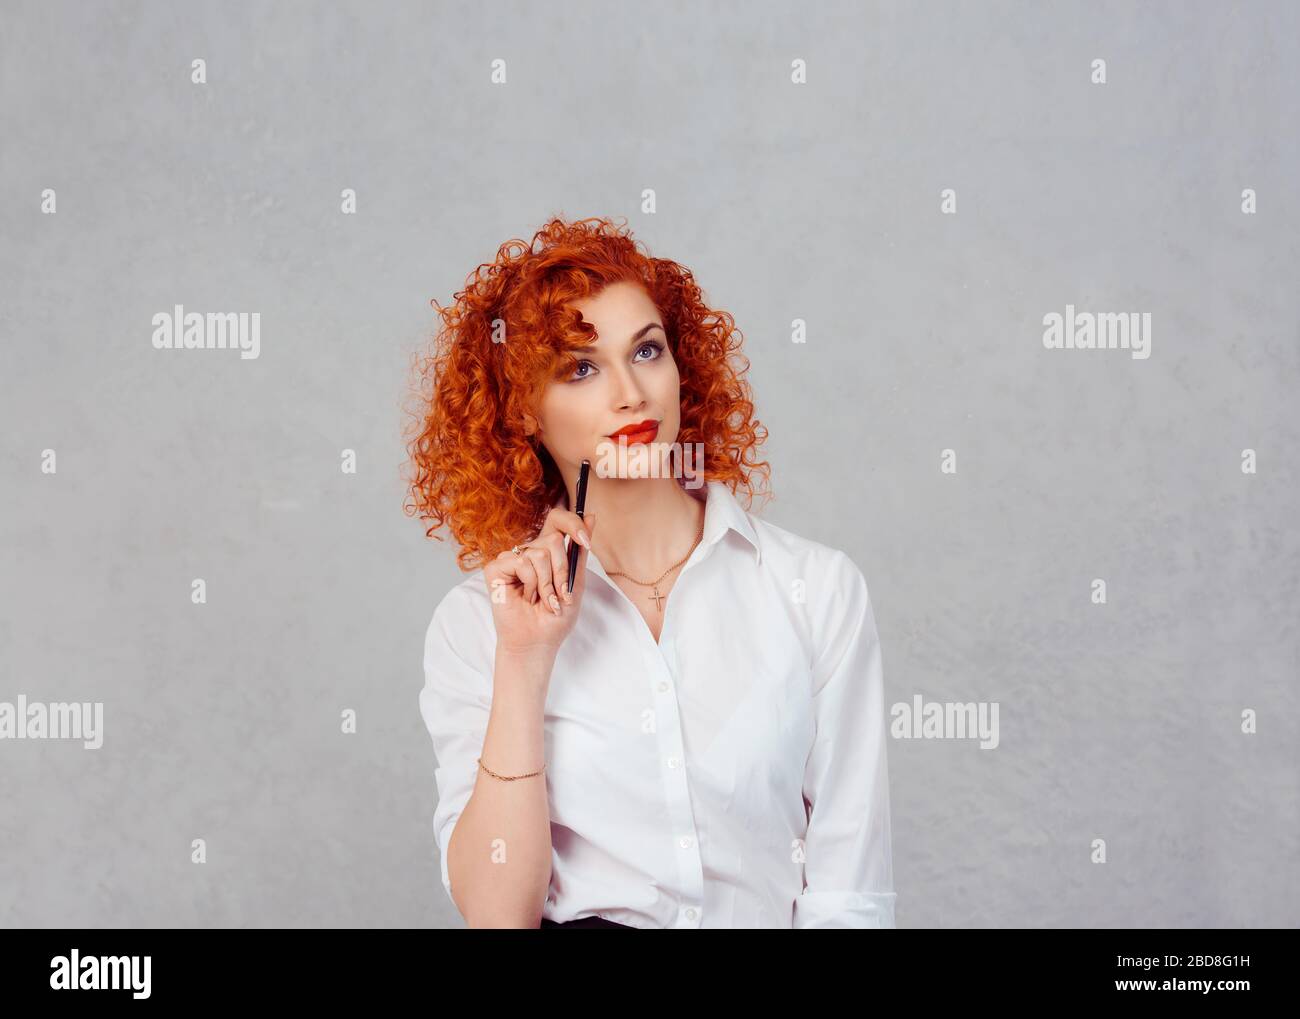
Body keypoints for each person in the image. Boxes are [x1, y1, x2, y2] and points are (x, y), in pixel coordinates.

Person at [403, 215, 896, 929]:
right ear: (523, 415)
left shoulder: (815, 590)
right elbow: (496, 913)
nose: (630, 392)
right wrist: (525, 659)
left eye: (648, 350)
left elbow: (850, 896)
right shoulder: (480, 624)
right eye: (580, 367)